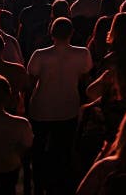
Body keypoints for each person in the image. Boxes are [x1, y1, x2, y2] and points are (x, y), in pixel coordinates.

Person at [28, 17, 92, 195]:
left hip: (41, 107)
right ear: (71, 33)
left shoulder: (40, 54)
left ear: (51, 33)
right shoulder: (83, 53)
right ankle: (60, 184)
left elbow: (31, 80)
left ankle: (39, 183)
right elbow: (84, 77)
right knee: (63, 149)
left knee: (39, 147)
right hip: (68, 107)